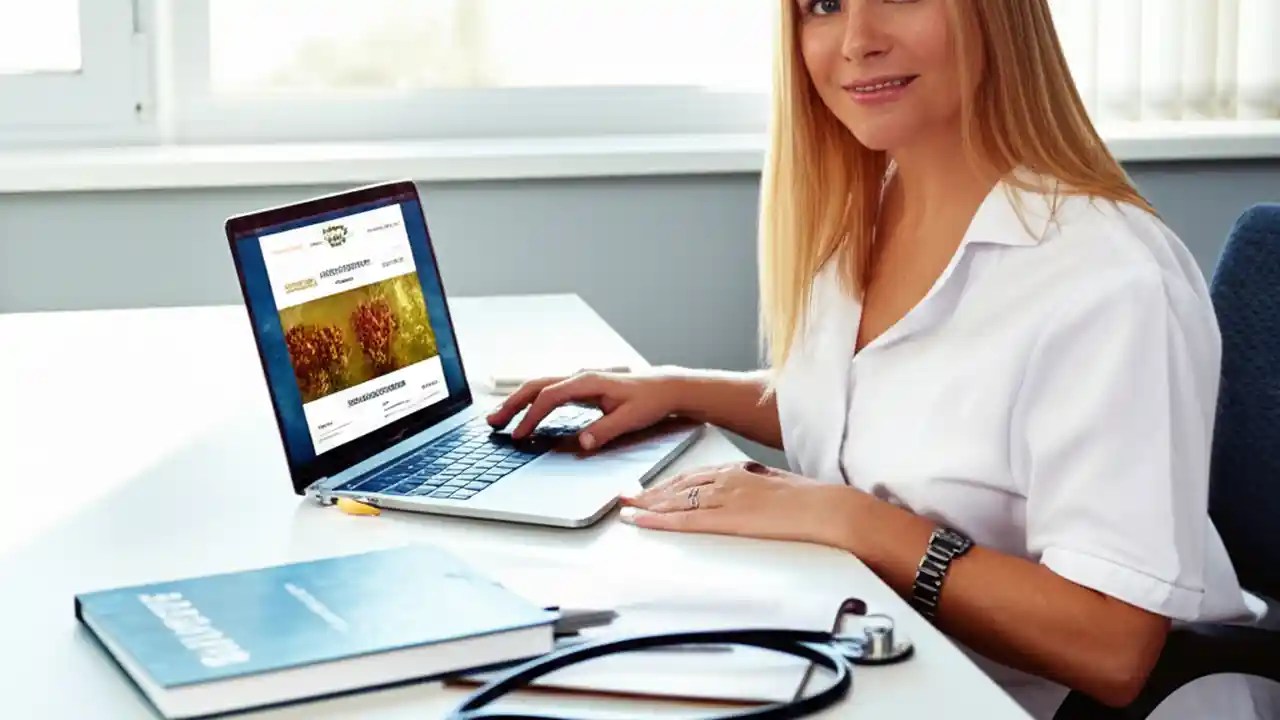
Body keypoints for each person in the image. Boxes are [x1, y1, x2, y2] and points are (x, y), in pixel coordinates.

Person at [486, 1, 1267, 717]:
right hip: (897, 660)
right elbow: (875, 407)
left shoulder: (1109, 279)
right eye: (824, 5)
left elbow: (1114, 647)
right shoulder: (869, 208)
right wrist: (677, 389)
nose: (858, 40)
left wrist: (849, 520)